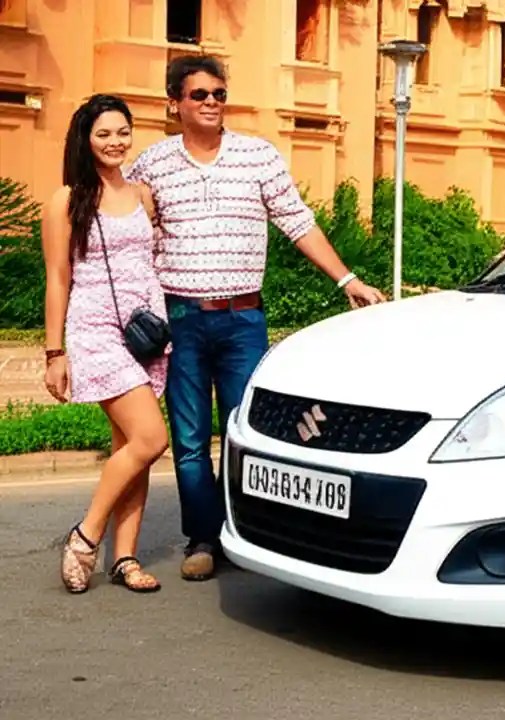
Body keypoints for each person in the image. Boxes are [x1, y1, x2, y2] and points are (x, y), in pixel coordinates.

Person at [125, 54, 386, 582]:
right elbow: (128, 232)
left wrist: (347, 280)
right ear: (174, 104)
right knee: (192, 438)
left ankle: (243, 530)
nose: (212, 104)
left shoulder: (258, 156)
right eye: (200, 95)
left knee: (249, 432)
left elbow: (297, 223)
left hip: (244, 319)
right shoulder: (152, 164)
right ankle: (203, 537)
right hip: (183, 321)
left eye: (219, 94)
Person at [44, 94, 170, 594]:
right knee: (149, 439)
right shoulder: (68, 199)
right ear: (86, 139)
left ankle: (126, 559)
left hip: (145, 330)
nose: (115, 142)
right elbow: (57, 277)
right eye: (104, 134)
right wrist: (55, 353)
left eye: (123, 132)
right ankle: (85, 535)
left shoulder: (141, 195)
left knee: (130, 448)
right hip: (95, 330)